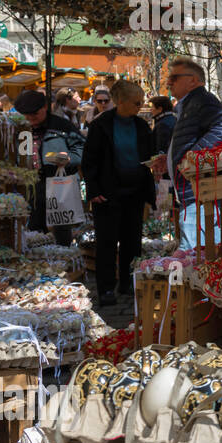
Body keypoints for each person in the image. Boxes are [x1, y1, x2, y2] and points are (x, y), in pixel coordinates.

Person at [81, 81, 155, 306]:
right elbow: (90, 160)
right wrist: (93, 189)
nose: (140, 106)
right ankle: (106, 288)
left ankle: (127, 282)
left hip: (135, 191)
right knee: (107, 242)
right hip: (108, 192)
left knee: (132, 241)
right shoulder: (101, 124)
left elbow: (150, 153)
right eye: (136, 103)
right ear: (120, 101)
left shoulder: (141, 125)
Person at [149, 59, 222, 248]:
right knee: (196, 253)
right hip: (192, 192)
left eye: (174, 77)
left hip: (198, 193)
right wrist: (170, 158)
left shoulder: (202, 100)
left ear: (193, 80)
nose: (169, 82)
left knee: (196, 254)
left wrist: (192, 155)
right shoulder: (189, 104)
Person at [12, 90, 85, 246]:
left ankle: (63, 258)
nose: (31, 119)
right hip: (31, 186)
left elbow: (82, 149)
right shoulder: (21, 128)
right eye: (27, 116)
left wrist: (69, 158)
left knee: (61, 231)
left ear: (45, 107)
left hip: (59, 184)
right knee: (34, 231)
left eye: (35, 114)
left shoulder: (62, 125)